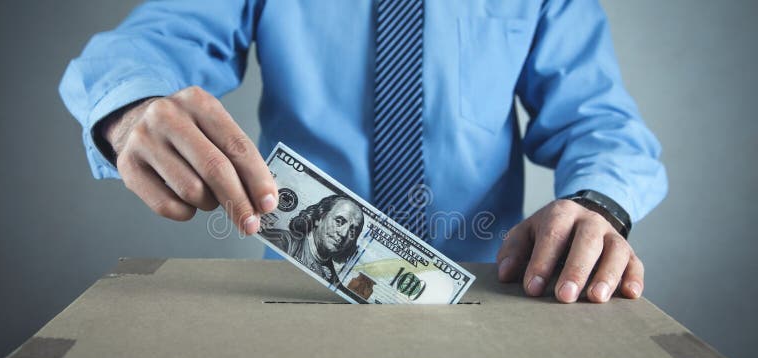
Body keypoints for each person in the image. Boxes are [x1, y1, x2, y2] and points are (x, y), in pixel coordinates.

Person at [59, 0, 667, 304]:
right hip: (295, 303)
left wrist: (597, 202)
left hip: (488, 296)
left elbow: (600, 118)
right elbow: (148, 42)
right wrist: (133, 106)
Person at [262, 194, 364, 284]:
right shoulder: (282, 241)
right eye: (339, 221)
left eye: (352, 231)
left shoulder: (334, 282)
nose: (344, 233)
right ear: (319, 218)